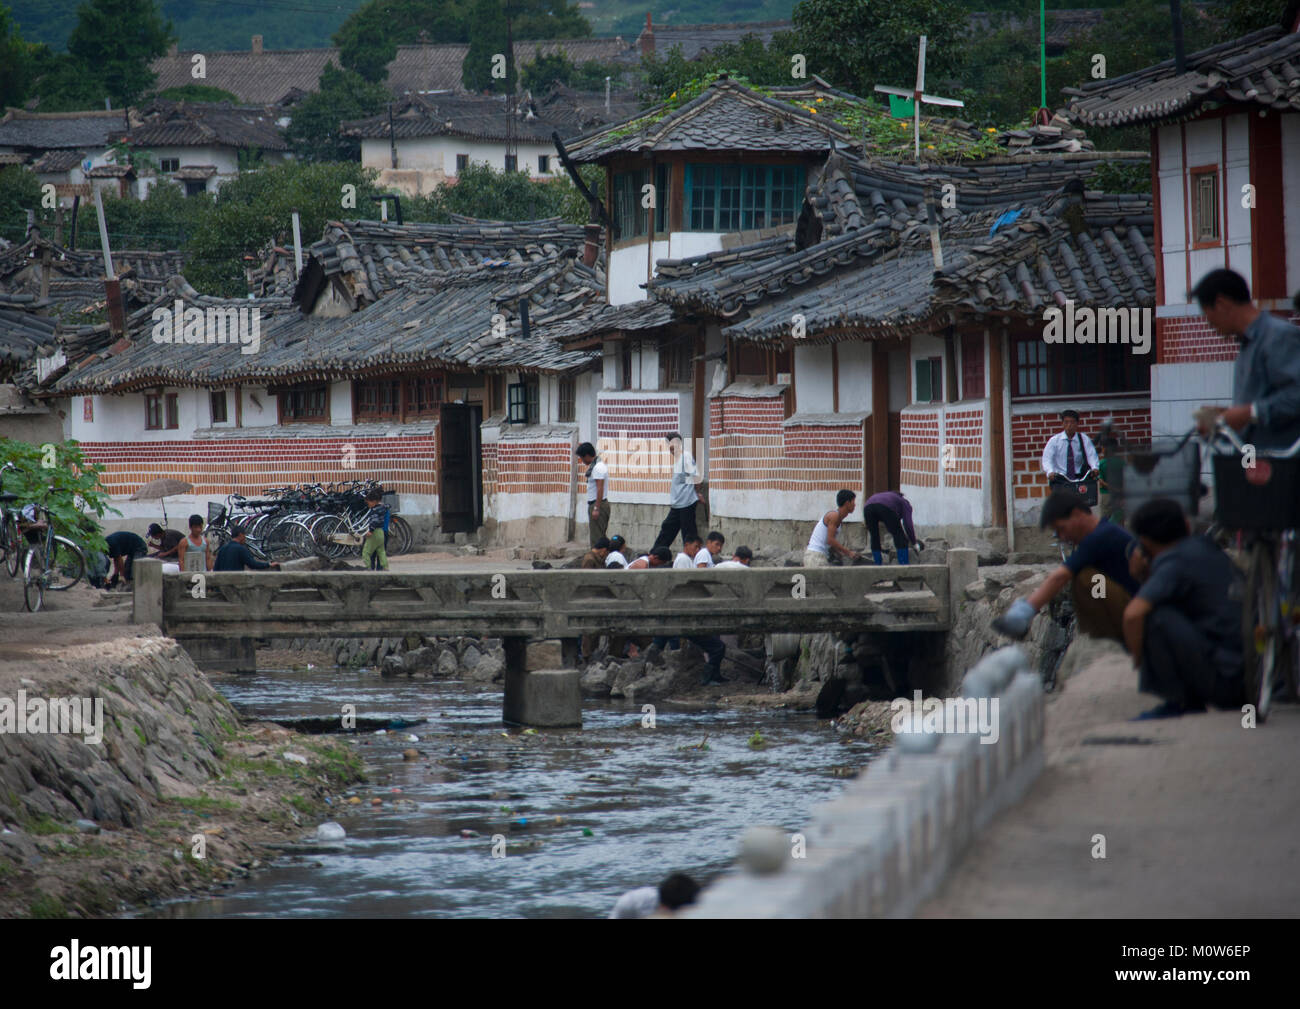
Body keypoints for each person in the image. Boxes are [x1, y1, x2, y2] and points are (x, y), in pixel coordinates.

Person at [1122, 498, 1243, 719]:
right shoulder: (1203, 547)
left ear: (1144, 542)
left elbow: (1133, 615)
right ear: (1186, 526)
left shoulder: (1174, 562)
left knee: (1156, 616)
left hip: (1231, 685)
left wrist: (1140, 660)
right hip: (1251, 677)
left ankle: (1180, 702)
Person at [993, 491, 1139, 644]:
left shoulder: (1099, 538)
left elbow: (1059, 577)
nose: (1063, 537)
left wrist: (1023, 612)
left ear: (1076, 514)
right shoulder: (1104, 531)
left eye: (1061, 528)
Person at [1193, 268, 1300, 449]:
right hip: (1252, 461)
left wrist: (1248, 413)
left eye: (1208, 316)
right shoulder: (1247, 345)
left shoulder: (1279, 336)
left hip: (1283, 466)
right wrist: (1225, 420)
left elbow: (1296, 395)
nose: (1209, 325)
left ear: (1221, 304)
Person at [651, 434, 700, 551]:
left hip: (686, 504)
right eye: (670, 447)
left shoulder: (686, 457)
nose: (672, 449)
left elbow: (697, 478)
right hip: (677, 504)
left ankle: (693, 559)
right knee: (667, 529)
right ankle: (655, 555)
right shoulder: (677, 459)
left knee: (688, 535)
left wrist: (696, 493)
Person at [1041, 409, 1099, 493]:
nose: (1069, 425)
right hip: (1060, 478)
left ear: (1077, 424)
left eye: (1072, 422)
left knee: (1081, 501)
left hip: (1079, 477)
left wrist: (1095, 467)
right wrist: (1050, 472)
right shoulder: (1055, 440)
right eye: (1066, 422)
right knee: (1062, 502)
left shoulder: (1083, 439)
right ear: (1062, 424)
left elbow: (1091, 455)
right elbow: (1047, 458)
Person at [861, 490, 922, 565]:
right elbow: (908, 524)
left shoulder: (891, 498)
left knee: (874, 536)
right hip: (885, 507)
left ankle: (877, 565)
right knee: (900, 536)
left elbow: (890, 524)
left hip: (867, 507)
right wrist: (914, 542)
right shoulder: (905, 504)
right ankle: (904, 565)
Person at [805, 490, 861, 566]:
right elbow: (830, 540)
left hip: (820, 556)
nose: (855, 505)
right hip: (815, 556)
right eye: (853, 502)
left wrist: (840, 553)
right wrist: (848, 552)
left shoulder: (839, 519)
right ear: (847, 503)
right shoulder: (834, 516)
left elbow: (829, 543)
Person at [577, 442, 610, 547]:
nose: (582, 461)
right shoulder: (597, 465)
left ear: (587, 455)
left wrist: (596, 508)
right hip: (598, 504)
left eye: (582, 458)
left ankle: (598, 561)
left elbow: (599, 488)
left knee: (597, 540)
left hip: (598, 505)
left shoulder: (598, 468)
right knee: (600, 537)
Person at [213, 528, 281, 572]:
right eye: (244, 535)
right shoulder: (241, 549)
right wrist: (269, 564)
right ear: (240, 535)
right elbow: (253, 564)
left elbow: (216, 568)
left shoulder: (223, 548)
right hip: (235, 582)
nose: (245, 538)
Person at [1096, 435, 1125, 525]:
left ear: (1104, 449)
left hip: (1106, 495)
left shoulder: (1101, 463)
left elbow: (1101, 481)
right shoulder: (1122, 462)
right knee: (1119, 519)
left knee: (1105, 519)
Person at [362, 488, 390, 571]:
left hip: (375, 532)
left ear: (374, 501)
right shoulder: (385, 508)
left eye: (368, 502)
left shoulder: (375, 510)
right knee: (381, 551)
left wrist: (370, 530)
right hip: (383, 532)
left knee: (367, 552)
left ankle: (369, 567)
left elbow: (375, 520)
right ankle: (383, 568)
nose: (368, 505)